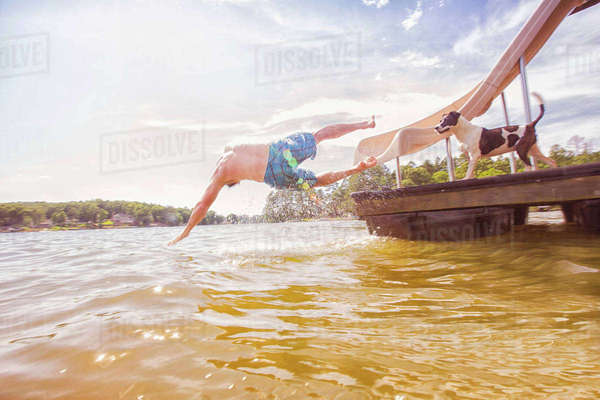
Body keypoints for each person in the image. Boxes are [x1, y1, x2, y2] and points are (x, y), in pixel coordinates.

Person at [168, 117, 378, 245]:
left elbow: (202, 205)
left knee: (317, 181)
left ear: (234, 181)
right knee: (319, 135)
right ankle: (364, 124)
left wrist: (185, 232)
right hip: (279, 149)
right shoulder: (230, 148)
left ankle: (356, 168)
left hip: (273, 174)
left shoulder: (221, 174)